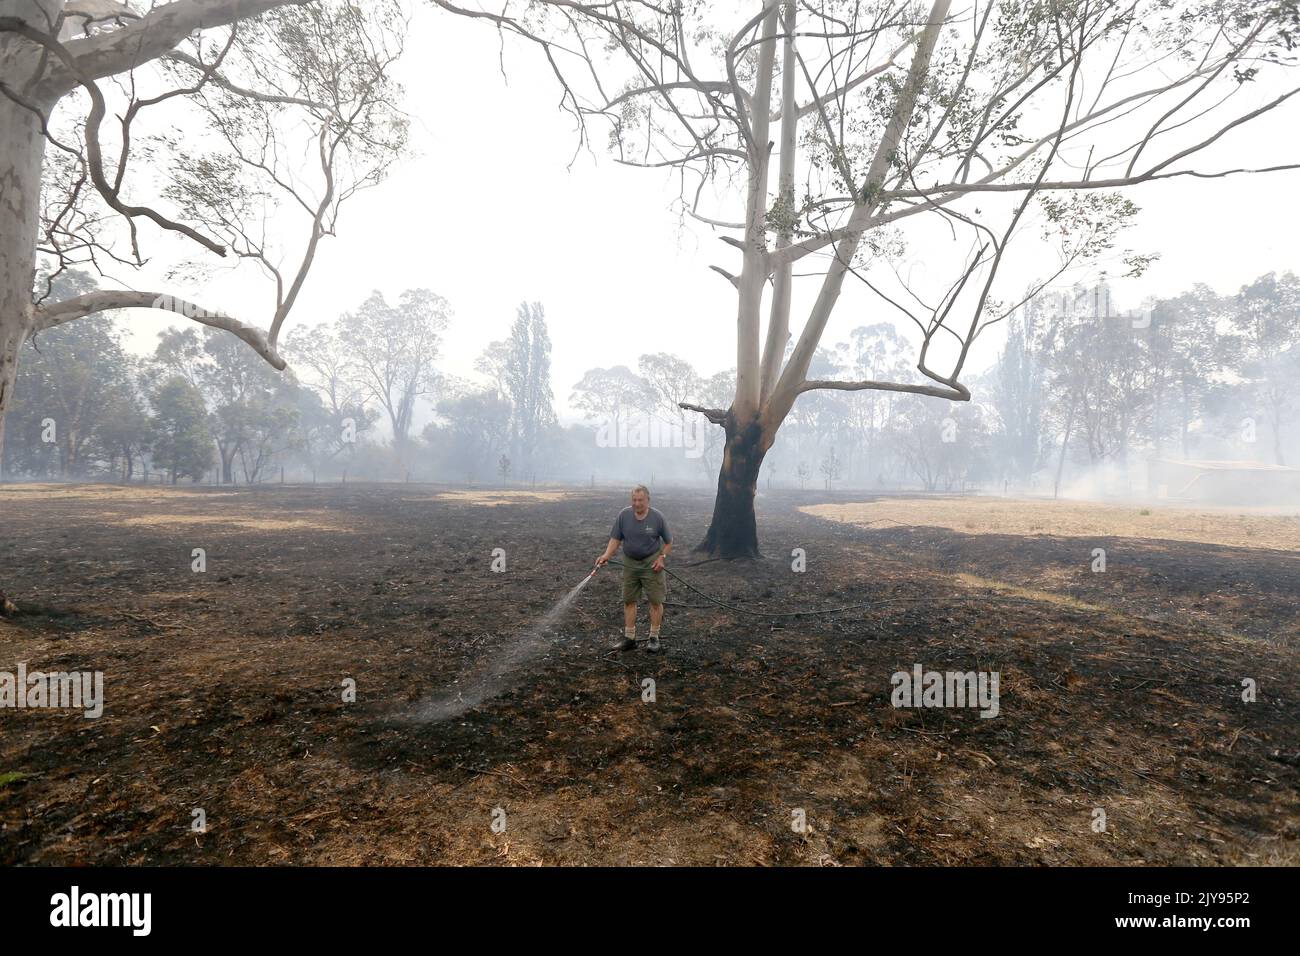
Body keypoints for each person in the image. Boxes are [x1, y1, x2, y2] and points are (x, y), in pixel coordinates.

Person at [594, 484, 672, 653]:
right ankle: (630, 638)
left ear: (648, 500)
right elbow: (615, 539)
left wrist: (661, 557)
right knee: (629, 600)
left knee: (655, 601)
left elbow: (668, 542)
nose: (637, 503)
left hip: (651, 564)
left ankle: (654, 638)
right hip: (630, 563)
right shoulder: (624, 515)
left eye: (641, 500)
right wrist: (606, 555)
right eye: (634, 500)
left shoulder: (657, 517)